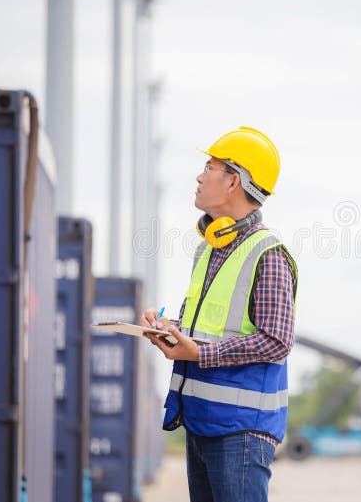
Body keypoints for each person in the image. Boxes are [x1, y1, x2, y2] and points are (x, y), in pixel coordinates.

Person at [139, 126, 297, 502]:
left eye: (209, 167)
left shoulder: (268, 254)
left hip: (240, 432)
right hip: (203, 422)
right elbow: (209, 329)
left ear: (234, 181)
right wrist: (169, 328)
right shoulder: (209, 249)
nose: (199, 176)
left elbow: (277, 341)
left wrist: (199, 353)